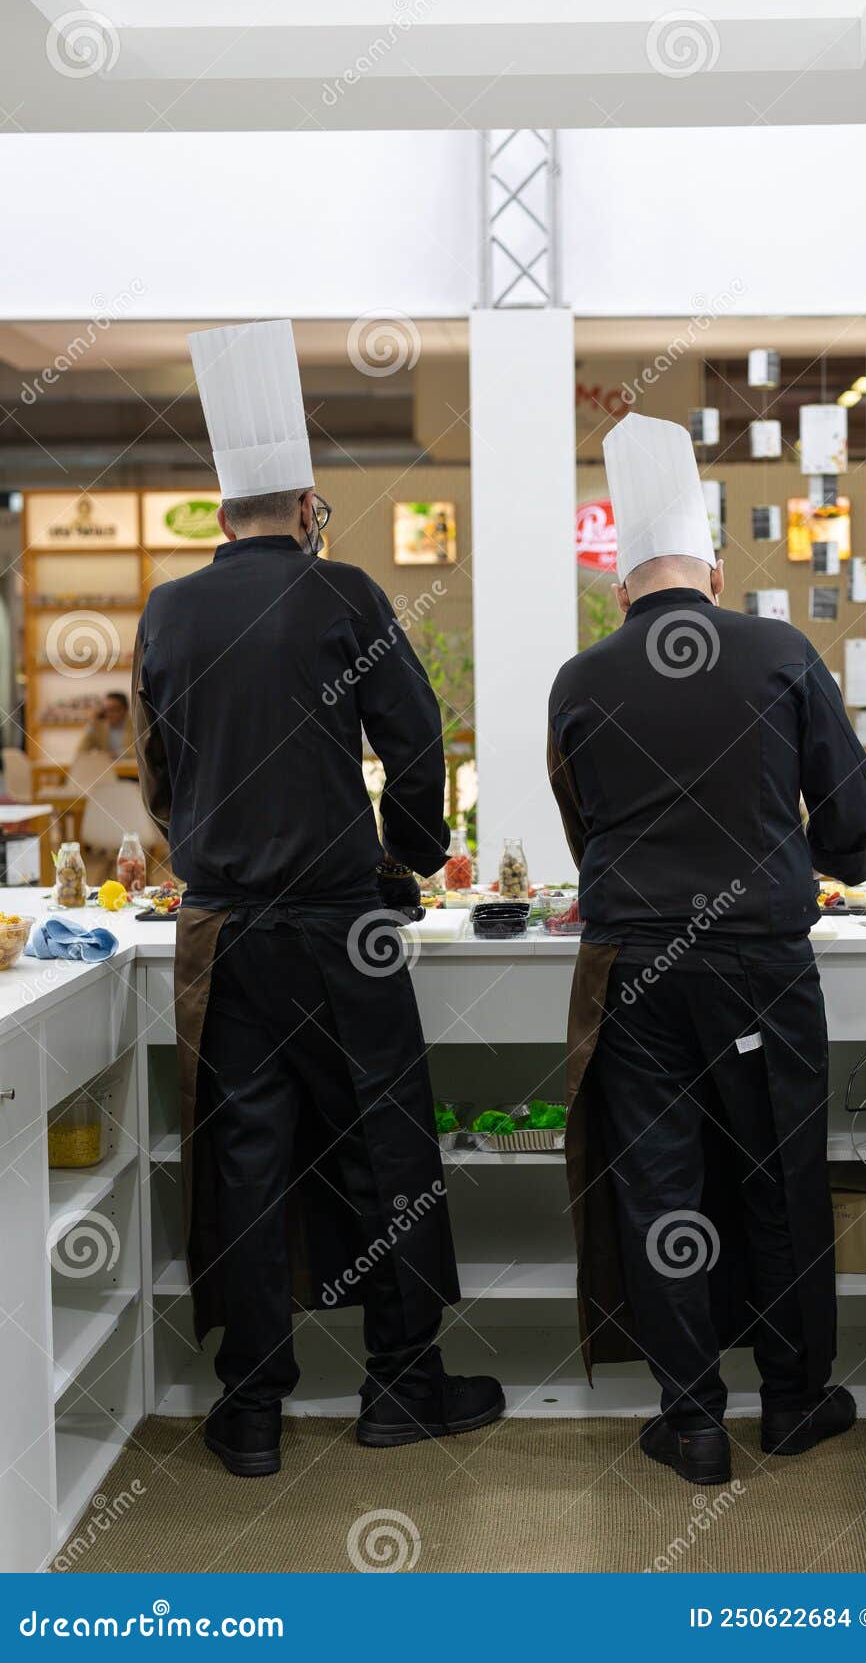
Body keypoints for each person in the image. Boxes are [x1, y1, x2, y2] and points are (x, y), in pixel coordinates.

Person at [133, 320, 502, 1478]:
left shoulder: (164, 612)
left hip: (225, 932)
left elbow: (159, 766)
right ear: (304, 502)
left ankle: (250, 1411)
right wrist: (412, 852)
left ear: (218, 506)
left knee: (242, 1162)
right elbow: (417, 732)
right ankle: (401, 1384)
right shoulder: (343, 592)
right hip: (347, 931)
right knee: (380, 1146)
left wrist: (202, 836)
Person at [547, 413, 866, 1488]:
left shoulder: (579, 680)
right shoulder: (779, 651)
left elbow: (581, 825)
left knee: (658, 1185)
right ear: (716, 571)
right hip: (757, 966)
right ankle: (789, 1402)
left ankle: (690, 1420)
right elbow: (846, 821)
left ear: (618, 584)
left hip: (632, 967)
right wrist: (828, 859)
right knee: (778, 1171)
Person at [80, 690, 134, 759]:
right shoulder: (99, 727)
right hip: (106, 768)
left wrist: (116, 754)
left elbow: (139, 751)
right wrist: (91, 724)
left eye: (113, 709)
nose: (108, 714)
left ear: (124, 710)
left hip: (130, 768)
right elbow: (81, 752)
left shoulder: (135, 726)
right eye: (106, 709)